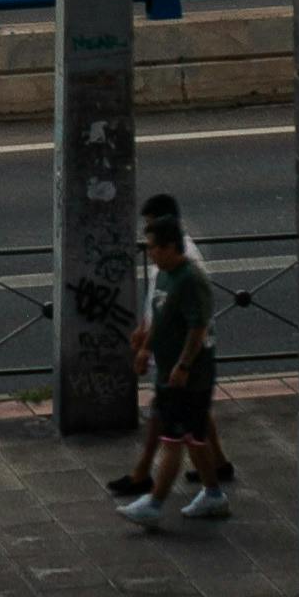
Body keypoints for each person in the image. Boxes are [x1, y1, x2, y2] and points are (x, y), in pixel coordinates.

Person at [114, 193, 228, 525]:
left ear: (170, 246)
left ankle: (154, 503)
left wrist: (183, 366)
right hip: (169, 369)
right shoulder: (164, 273)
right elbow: (160, 316)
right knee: (193, 438)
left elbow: (198, 328)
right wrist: (146, 347)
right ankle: (214, 493)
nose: (149, 253)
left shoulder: (190, 278)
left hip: (189, 375)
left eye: (153, 247)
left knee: (173, 438)